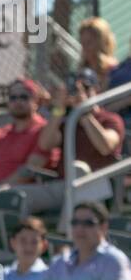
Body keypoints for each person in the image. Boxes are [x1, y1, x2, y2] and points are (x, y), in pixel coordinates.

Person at [23, 70, 124, 216]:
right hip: (64, 186)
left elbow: (105, 147)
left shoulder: (110, 119)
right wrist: (59, 108)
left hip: (97, 187)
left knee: (79, 169)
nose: (80, 92)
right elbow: (45, 144)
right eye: (75, 89)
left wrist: (83, 112)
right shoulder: (67, 121)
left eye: (86, 87)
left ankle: (68, 234)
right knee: (18, 196)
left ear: (97, 89)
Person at [0, 79, 54, 191]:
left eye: (24, 97)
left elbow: (29, 171)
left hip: (15, 194)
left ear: (36, 101)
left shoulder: (44, 131)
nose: (18, 101)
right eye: (13, 98)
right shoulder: (1, 132)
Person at [78, 17, 119, 91]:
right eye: (82, 43)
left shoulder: (113, 70)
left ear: (101, 43)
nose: (85, 48)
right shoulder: (82, 72)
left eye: (89, 42)